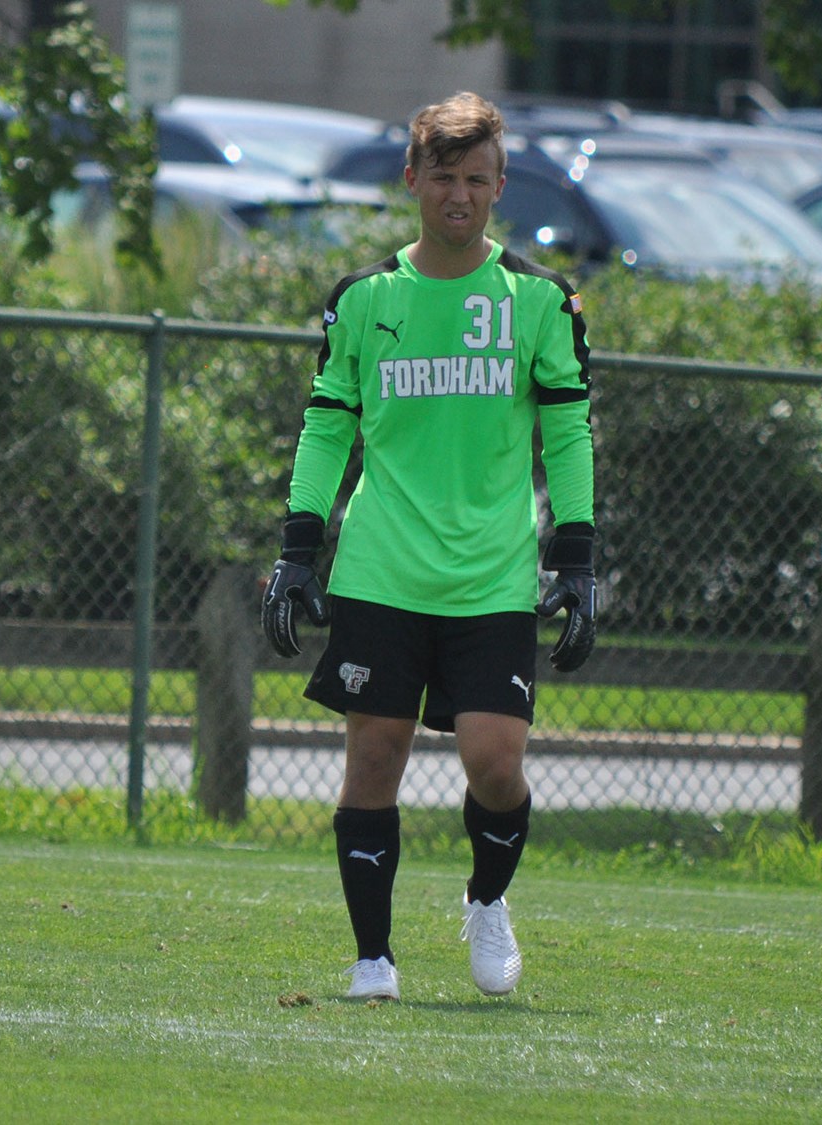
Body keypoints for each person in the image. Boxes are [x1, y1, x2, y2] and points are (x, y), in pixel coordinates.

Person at [260, 91, 597, 1002]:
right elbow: (329, 423)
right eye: (443, 177)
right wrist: (299, 545)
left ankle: (488, 900)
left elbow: (567, 432)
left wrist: (577, 554)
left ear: (498, 188)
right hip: (382, 565)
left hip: (491, 574)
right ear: (413, 180)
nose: (460, 195)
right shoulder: (366, 300)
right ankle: (374, 958)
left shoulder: (537, 299)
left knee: (495, 762)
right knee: (374, 759)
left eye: (478, 180)